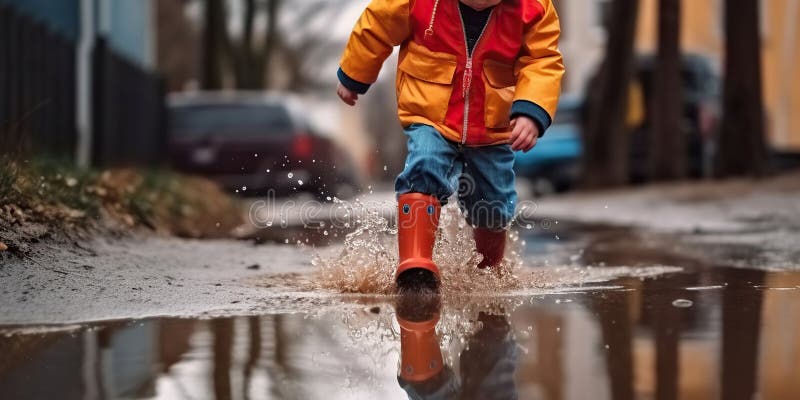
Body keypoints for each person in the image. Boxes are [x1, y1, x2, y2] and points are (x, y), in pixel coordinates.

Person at [336, 0, 564, 290]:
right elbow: (377, 25)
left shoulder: (533, 9)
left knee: (492, 203)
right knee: (425, 165)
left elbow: (542, 61)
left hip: (491, 124)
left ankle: (488, 273)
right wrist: (354, 74)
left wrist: (531, 110)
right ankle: (415, 264)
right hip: (429, 110)